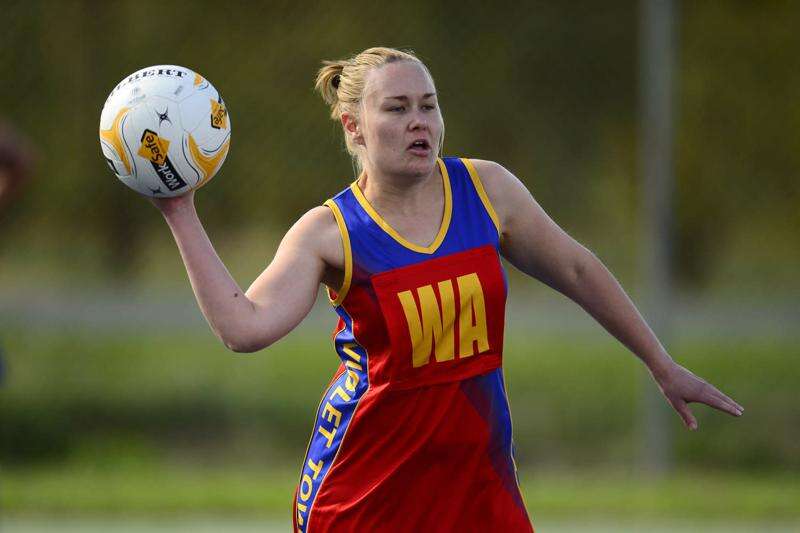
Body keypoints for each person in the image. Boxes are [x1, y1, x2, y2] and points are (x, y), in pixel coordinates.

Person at [150, 47, 743, 532]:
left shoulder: (487, 190)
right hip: (366, 493)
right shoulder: (331, 232)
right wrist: (180, 211)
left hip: (477, 485)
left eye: (429, 105)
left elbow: (579, 271)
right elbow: (244, 328)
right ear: (354, 126)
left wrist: (661, 362)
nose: (420, 121)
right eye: (398, 108)